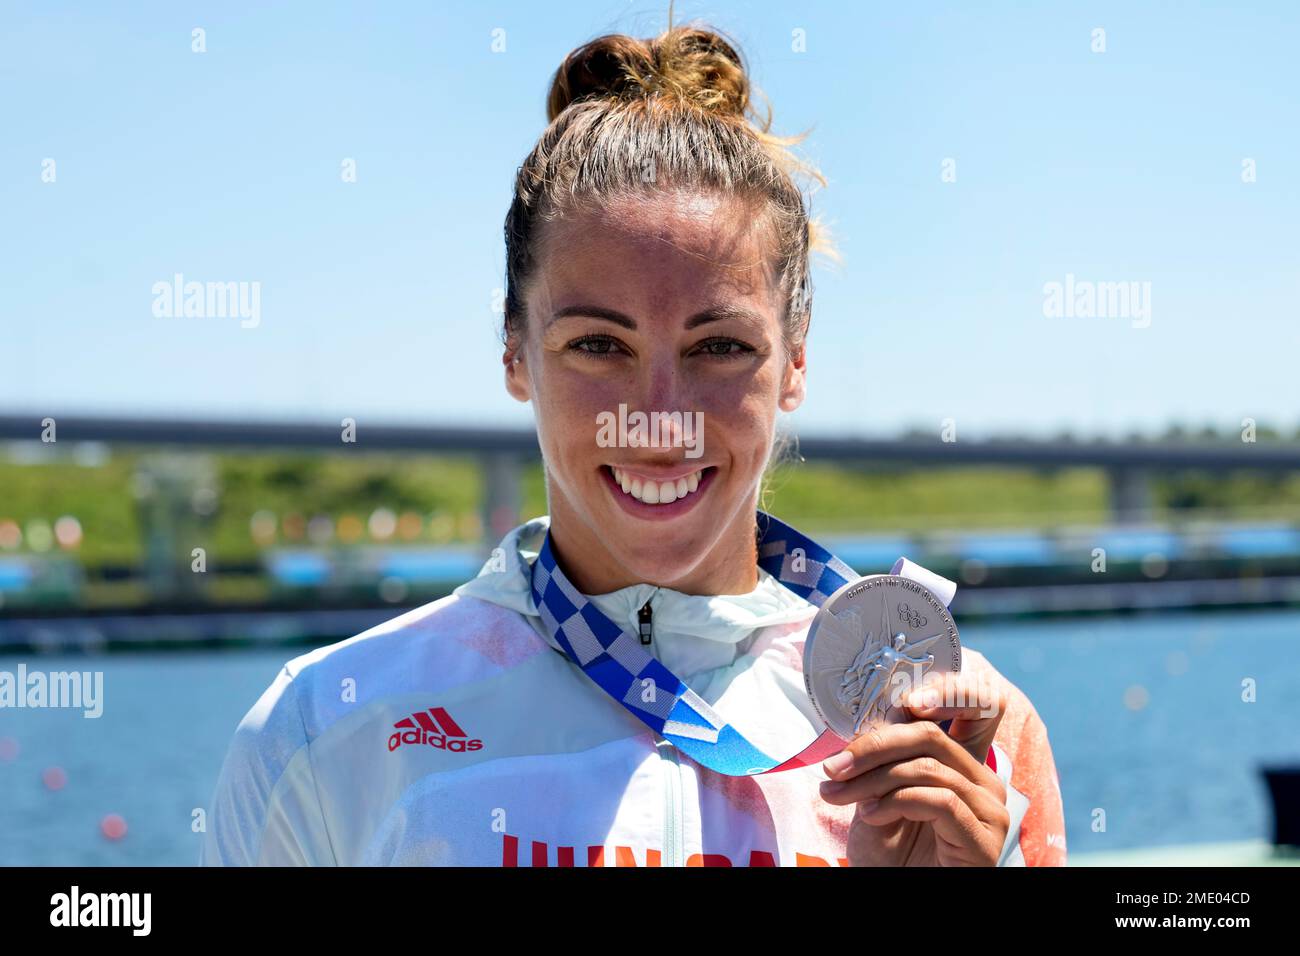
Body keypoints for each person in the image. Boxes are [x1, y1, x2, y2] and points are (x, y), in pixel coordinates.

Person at [200, 21, 1067, 867]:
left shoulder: (963, 735)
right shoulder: (328, 729)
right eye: (599, 346)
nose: (659, 417)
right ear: (513, 350)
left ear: (795, 361)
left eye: (718, 347)